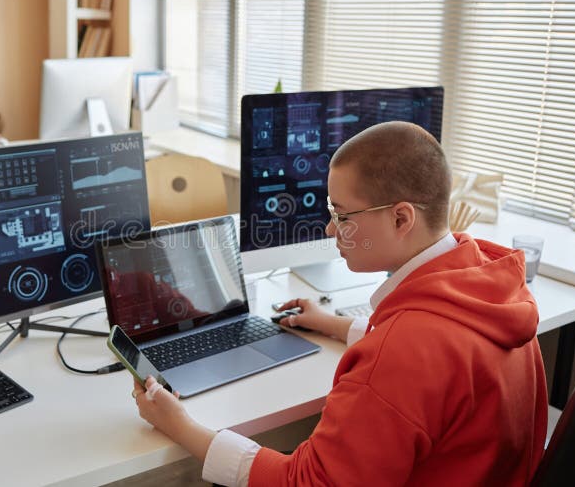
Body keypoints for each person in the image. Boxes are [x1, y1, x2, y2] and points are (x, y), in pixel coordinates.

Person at [130, 121, 548, 486]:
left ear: (401, 219)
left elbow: (304, 482)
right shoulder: (494, 291)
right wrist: (332, 324)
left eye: (344, 215)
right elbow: (439, 358)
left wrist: (180, 426)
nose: (331, 228)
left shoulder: (400, 354)